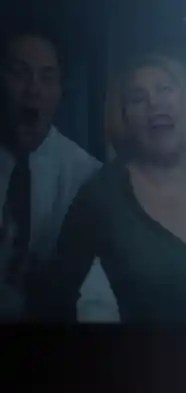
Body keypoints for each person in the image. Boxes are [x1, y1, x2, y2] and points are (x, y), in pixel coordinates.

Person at [28, 54, 186, 324]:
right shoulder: (100, 196)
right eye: (137, 99)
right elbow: (55, 300)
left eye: (165, 89)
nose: (155, 104)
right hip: (145, 361)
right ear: (124, 118)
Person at [0, 28, 100, 321]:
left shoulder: (87, 177)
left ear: (59, 91)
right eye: (19, 73)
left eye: (47, 77)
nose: (33, 90)